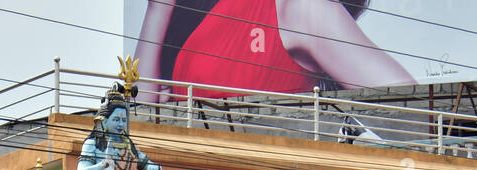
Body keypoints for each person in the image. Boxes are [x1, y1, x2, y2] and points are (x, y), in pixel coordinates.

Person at [133, 0, 415, 102]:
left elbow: (421, 117)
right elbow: (139, 117)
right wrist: (158, 7)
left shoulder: (304, 10)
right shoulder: (198, 14)